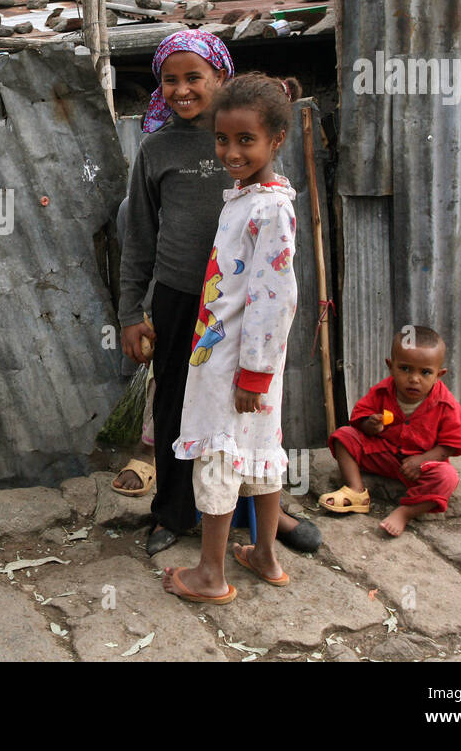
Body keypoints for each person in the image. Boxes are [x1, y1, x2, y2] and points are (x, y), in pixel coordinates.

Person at [116, 34, 319, 555]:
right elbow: (138, 233)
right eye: (170, 79)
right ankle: (172, 514)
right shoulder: (157, 149)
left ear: (221, 78)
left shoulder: (245, 140)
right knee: (177, 409)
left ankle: (259, 514)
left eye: (194, 77)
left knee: (248, 410)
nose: (182, 90)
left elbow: (273, 249)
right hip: (181, 299)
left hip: (244, 309)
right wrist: (131, 310)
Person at [161, 73, 299, 604]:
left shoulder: (269, 210)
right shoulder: (251, 198)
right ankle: (264, 554)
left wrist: (254, 373)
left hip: (238, 364)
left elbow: (275, 296)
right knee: (258, 450)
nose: (232, 151)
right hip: (242, 359)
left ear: (276, 141)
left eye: (246, 140)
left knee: (220, 456)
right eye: (223, 139)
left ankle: (211, 574)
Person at [320, 327, 461, 536]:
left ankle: (405, 512)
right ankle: (357, 492)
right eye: (405, 369)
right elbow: (360, 417)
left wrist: (422, 460)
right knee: (344, 435)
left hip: (420, 466)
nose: (414, 379)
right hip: (382, 454)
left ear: (439, 374)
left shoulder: (446, 405)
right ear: (391, 367)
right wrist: (369, 425)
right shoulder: (383, 391)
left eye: (425, 372)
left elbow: (453, 443)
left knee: (447, 477)